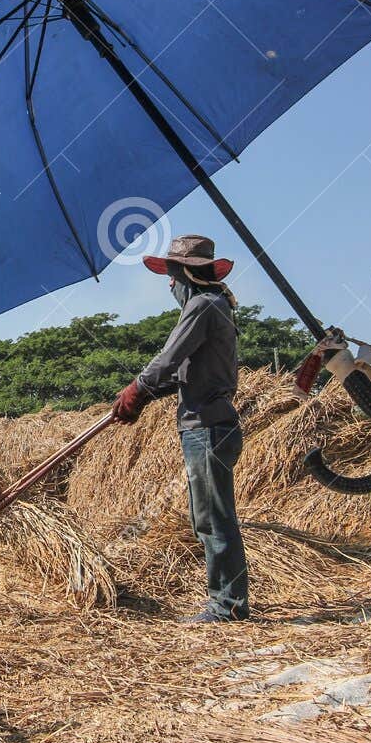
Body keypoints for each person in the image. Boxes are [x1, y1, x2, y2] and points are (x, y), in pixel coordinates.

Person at [111, 234, 248, 624]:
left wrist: (138, 387)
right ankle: (228, 600)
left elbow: (169, 356)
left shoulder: (204, 306)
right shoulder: (218, 306)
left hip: (206, 427)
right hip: (209, 424)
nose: (169, 284)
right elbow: (186, 371)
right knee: (208, 516)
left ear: (188, 274)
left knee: (212, 518)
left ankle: (228, 606)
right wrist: (148, 394)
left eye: (172, 275)